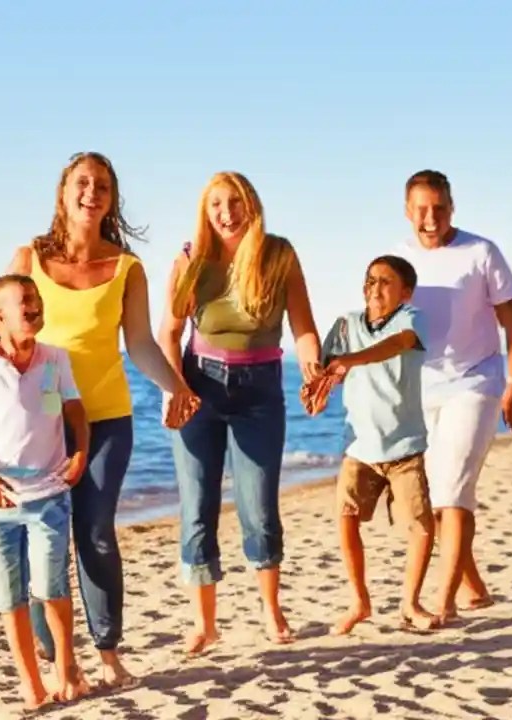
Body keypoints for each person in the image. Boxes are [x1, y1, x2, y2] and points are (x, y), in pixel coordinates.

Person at [0, 152, 199, 687]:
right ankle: (51, 643)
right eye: (82, 183)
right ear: (63, 193)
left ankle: (108, 652)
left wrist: (176, 386)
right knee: (35, 536)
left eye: (103, 186)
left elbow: (138, 344)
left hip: (106, 417)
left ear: (112, 199)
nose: (92, 192)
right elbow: (3, 320)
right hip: (35, 424)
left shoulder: (127, 268)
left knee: (94, 533)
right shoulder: (29, 256)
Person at [156, 171, 322, 655]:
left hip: (259, 391)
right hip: (197, 386)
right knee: (197, 509)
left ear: (252, 204)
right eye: (215, 206)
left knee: (259, 508)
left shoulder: (279, 255)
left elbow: (304, 329)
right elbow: (168, 333)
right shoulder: (190, 259)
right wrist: (176, 389)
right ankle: (204, 625)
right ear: (204, 213)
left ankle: (271, 609)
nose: (226, 213)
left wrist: (313, 370)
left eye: (235, 202)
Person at [394, 169, 512, 624]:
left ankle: (445, 601)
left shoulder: (480, 252)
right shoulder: (398, 261)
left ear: (452, 208)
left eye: (438, 208)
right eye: (421, 210)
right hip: (420, 390)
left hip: (475, 382)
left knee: (453, 491)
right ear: (407, 211)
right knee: (427, 498)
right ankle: (474, 588)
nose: (430, 218)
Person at [0, 275, 91, 710]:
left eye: (35, 298)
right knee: (9, 596)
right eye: (22, 301)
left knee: (52, 588)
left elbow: (75, 413)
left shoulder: (55, 359)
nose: (33, 305)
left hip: (49, 494)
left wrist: (81, 453)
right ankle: (30, 683)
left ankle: (64, 668)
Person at [301, 255, 440, 634]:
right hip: (360, 446)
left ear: (405, 292)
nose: (374, 288)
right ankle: (359, 601)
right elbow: (326, 367)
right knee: (345, 516)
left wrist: (350, 361)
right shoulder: (346, 325)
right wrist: (317, 386)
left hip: (404, 446)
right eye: (369, 280)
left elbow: (396, 345)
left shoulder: (411, 320)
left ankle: (410, 603)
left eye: (385, 281)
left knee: (421, 526)